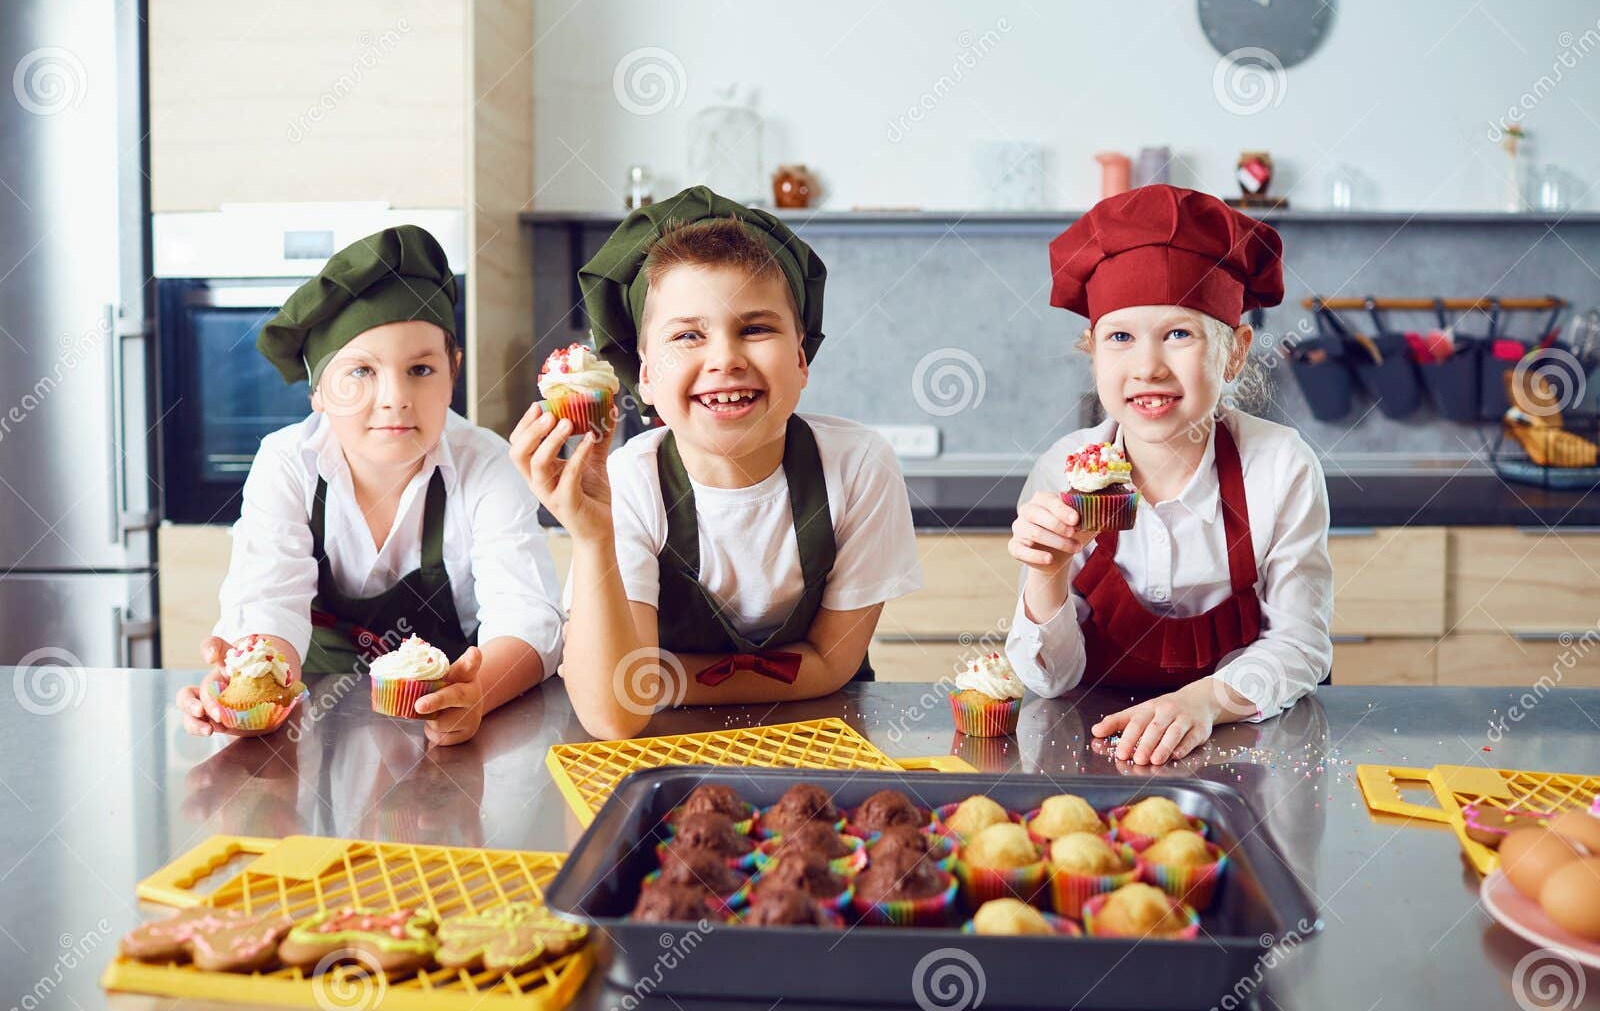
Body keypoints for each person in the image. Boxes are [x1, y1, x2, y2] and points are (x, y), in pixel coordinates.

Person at [512, 187, 921, 739]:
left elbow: (831, 664)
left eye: (755, 329)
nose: (725, 358)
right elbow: (612, 714)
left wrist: (660, 679)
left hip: (826, 739)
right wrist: (591, 536)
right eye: (687, 335)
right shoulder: (631, 483)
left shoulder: (857, 467)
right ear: (646, 378)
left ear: (802, 359)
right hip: (658, 752)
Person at [176, 225, 564, 746]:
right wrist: (254, 685)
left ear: (454, 370)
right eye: (360, 371)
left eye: (421, 368)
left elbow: (528, 617)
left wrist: (475, 694)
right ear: (317, 392)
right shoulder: (287, 463)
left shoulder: (485, 463)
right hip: (317, 722)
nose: (395, 397)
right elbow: (270, 601)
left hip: (450, 718)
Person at [1005, 185, 1333, 765]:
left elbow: (1302, 642)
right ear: (1094, 353)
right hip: (1094, 744)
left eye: (1179, 334)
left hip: (1244, 743)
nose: (1148, 367)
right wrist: (1047, 576)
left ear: (1233, 353)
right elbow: (1050, 682)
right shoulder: (1061, 468)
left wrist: (1203, 701)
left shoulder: (1280, 466)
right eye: (1120, 338)